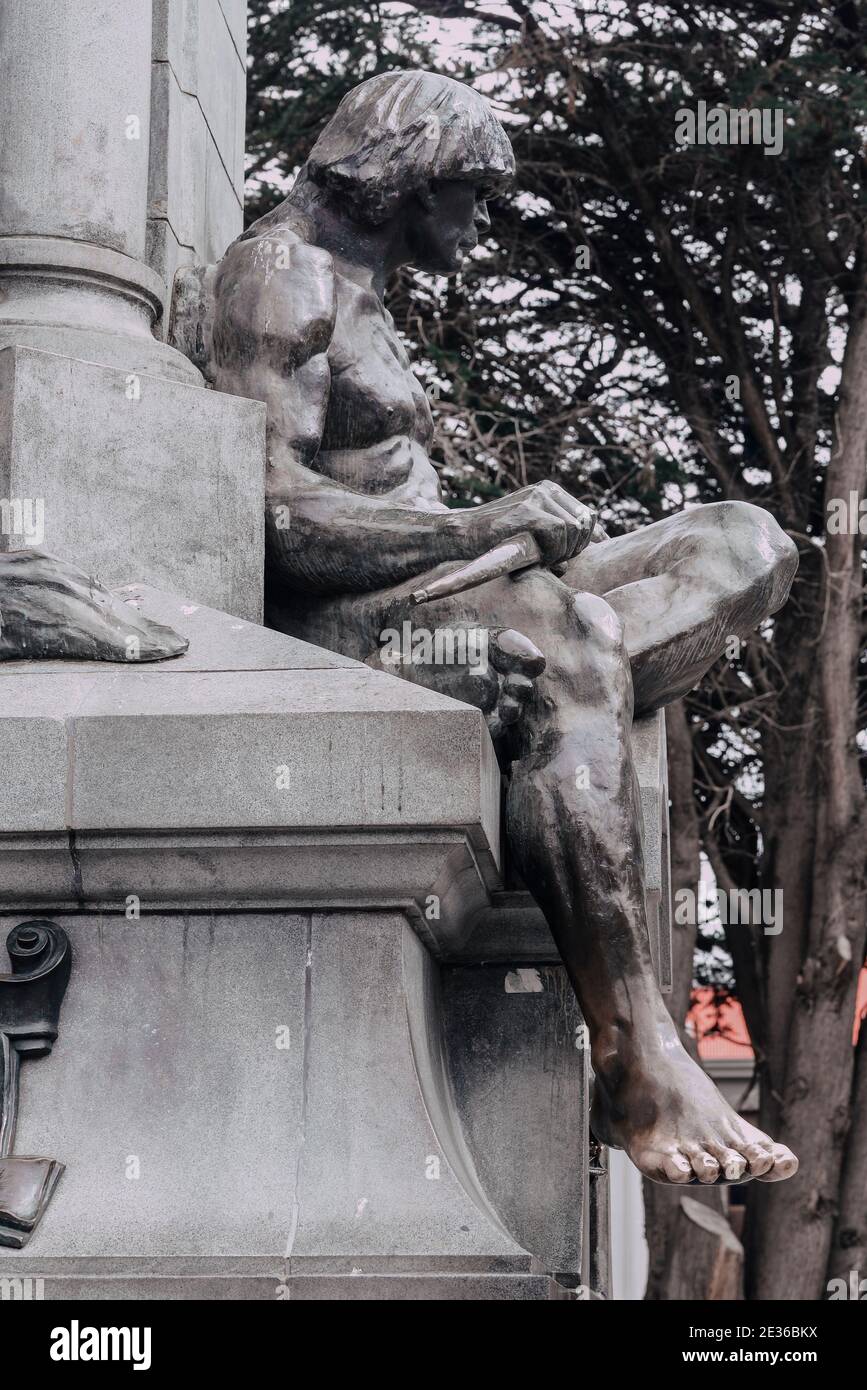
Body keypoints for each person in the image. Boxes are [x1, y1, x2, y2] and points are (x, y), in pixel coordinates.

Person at [210, 70, 799, 1187]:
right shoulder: (277, 278)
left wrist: (491, 543)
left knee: (744, 543)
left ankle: (567, 682)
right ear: (404, 178)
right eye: (467, 198)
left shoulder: (363, 283)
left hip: (449, 573)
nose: (477, 228)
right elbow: (275, 516)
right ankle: (637, 1052)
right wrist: (482, 525)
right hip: (358, 615)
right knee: (571, 631)